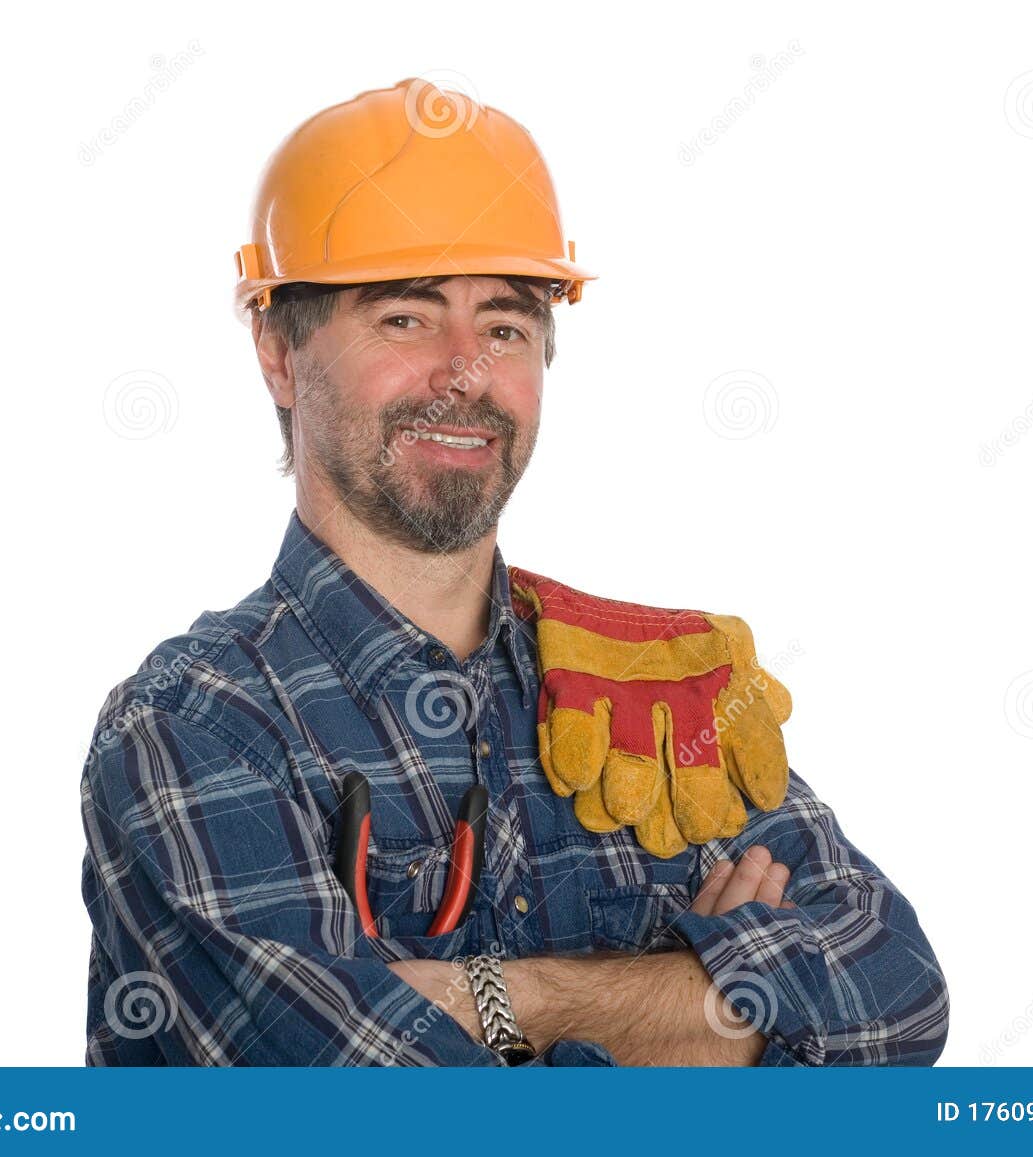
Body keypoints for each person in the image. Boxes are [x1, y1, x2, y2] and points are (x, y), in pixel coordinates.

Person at [79, 78, 948, 1066]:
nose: (464, 372)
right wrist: (720, 1018)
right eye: (404, 319)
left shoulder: (650, 694)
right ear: (278, 352)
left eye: (503, 326)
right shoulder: (199, 722)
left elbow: (899, 1003)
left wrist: (501, 998)